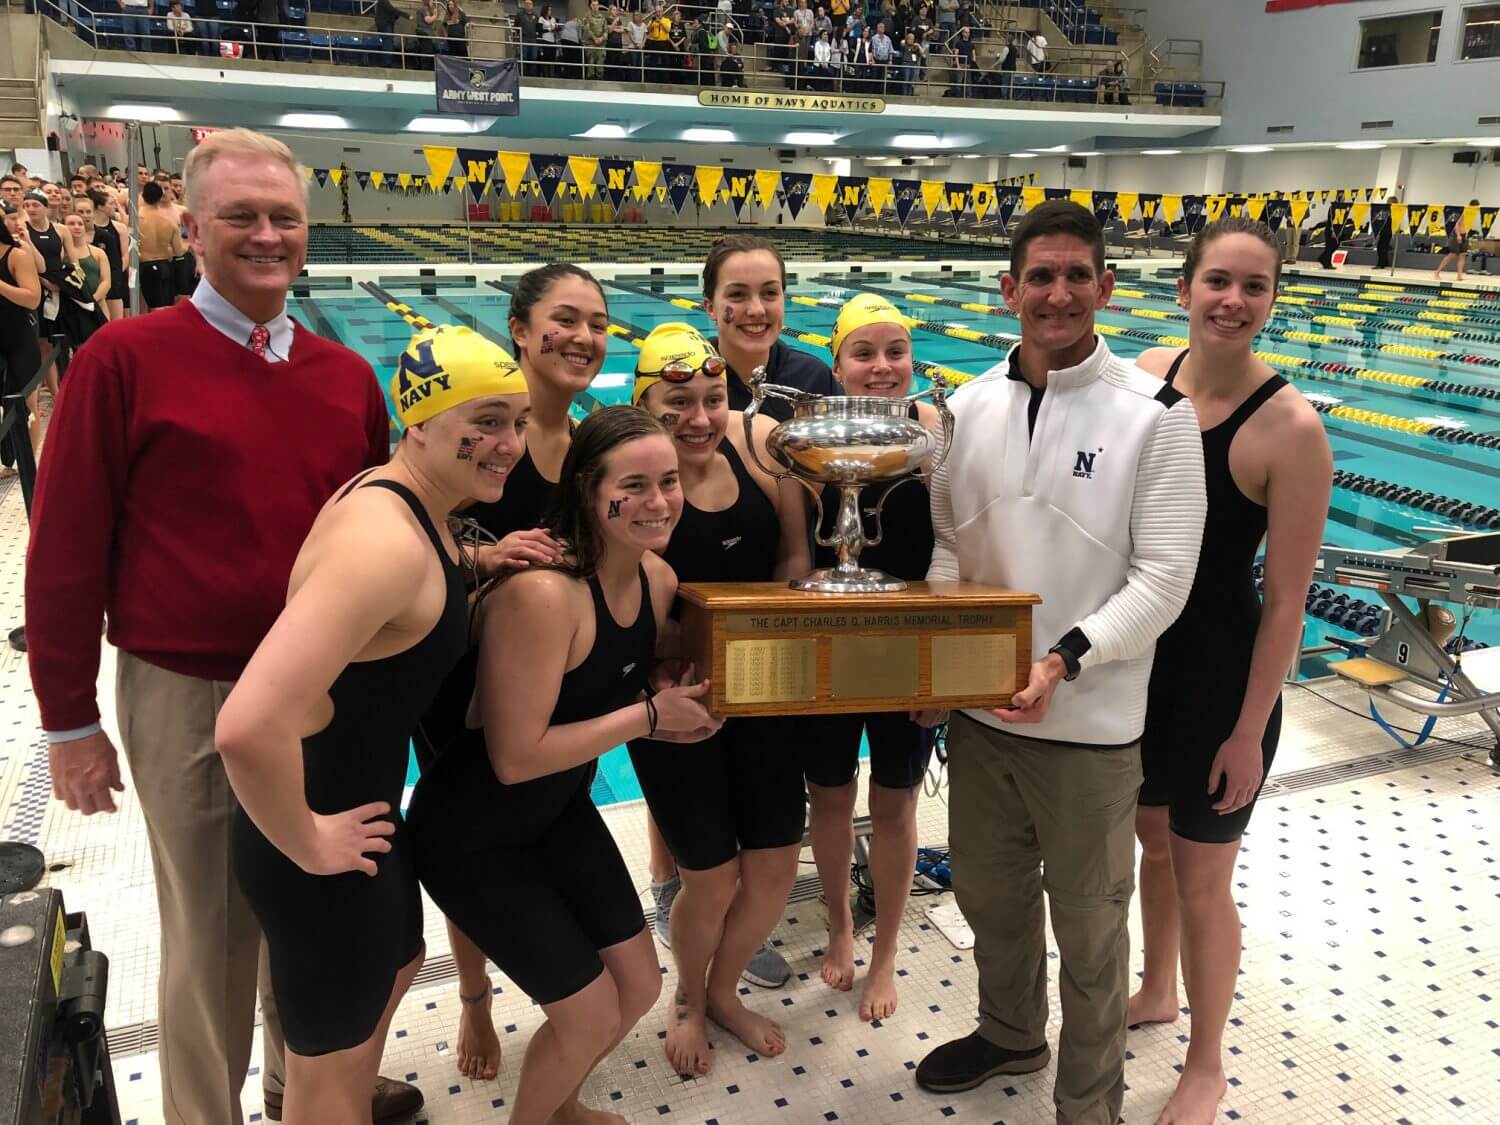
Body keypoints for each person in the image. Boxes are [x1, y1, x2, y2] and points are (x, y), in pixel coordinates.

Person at [25, 127, 418, 1125]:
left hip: (324, 692)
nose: (267, 234)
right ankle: (207, 1112)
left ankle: (309, 1092)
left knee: (317, 906)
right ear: (190, 229)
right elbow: (65, 547)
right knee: (213, 934)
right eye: (241, 216)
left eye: (284, 217)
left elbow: (384, 528)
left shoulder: (341, 379)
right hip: (190, 688)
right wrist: (70, 721)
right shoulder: (126, 359)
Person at [912, 200, 1206, 1125]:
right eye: (1041, 275)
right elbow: (952, 554)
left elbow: (1164, 581)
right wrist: (936, 668)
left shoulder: (1158, 417)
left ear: (1106, 287)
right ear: (1009, 290)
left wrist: (1063, 661)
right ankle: (1009, 1032)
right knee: (990, 897)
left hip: (1090, 725)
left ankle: (1089, 1104)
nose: (1059, 292)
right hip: (982, 716)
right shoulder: (965, 408)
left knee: (1088, 929)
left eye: (1078, 274)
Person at [217, 324, 525, 1124]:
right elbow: (246, 725)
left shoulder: (406, 502)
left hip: (357, 814)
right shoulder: (384, 542)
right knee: (324, 1079)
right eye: (486, 420)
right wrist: (309, 841)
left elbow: (397, 615)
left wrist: (477, 564)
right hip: (319, 839)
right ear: (419, 419)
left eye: (518, 421)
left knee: (395, 966)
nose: (509, 443)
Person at [411, 405, 716, 1125]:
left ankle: (561, 1105)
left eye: (668, 481)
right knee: (584, 1013)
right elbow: (514, 758)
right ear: (586, 489)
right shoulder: (545, 594)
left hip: (555, 812)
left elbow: (612, 688)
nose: (656, 501)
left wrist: (673, 707)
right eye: (633, 484)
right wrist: (647, 718)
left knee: (638, 986)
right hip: (473, 834)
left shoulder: (658, 580)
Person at [1127, 217, 1331, 1125]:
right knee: (1151, 841)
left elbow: (1286, 602)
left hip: (1220, 683)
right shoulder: (1141, 379)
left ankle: (1205, 1062)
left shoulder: (1290, 429)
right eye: (1218, 281)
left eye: (1254, 287)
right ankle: (1157, 983)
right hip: (1138, 667)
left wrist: (1250, 730)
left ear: (1272, 302)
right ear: (1184, 288)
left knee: (1206, 876)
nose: (1233, 300)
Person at [416, 262, 606, 1082]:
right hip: (462, 681)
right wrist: (485, 557)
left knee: (542, 817)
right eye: (564, 319)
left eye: (598, 322)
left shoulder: (593, 440)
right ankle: (471, 992)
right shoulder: (482, 428)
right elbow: (419, 522)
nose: (584, 337)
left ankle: (564, 991)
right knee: (468, 835)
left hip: (563, 684)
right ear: (521, 331)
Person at [627, 323, 811, 1076]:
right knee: (710, 874)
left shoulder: (764, 445)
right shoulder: (630, 479)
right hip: (678, 709)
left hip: (765, 689)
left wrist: (786, 623)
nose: (699, 417)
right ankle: (687, 998)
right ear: (644, 404)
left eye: (710, 398)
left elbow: (796, 553)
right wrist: (655, 676)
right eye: (676, 402)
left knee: (773, 865)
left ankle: (724, 989)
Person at [800, 294, 939, 1022]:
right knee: (829, 796)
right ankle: (840, 928)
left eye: (895, 351)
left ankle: (885, 953)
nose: (882, 367)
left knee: (895, 803)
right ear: (836, 364)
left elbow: (956, 552)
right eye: (865, 352)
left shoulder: (936, 436)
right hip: (827, 647)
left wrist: (945, 671)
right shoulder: (811, 439)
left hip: (906, 651)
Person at [0, 200, 41, 478]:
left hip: (19, 336)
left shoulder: (17, 255)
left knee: (28, 402)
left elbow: (33, 297)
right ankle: (6, 460)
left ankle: (30, 463)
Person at [21, 189, 66, 399]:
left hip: (58, 288)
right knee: (42, 345)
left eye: (35, 205)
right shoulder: (24, 231)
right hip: (39, 288)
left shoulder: (59, 229)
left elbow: (65, 258)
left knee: (56, 341)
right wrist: (43, 282)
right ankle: (52, 392)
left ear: (46, 208)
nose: (31, 209)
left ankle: (60, 387)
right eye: (27, 205)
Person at [57, 208, 108, 348]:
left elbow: (106, 281)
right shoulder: (60, 254)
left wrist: (92, 300)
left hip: (96, 304)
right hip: (71, 307)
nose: (76, 227)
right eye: (71, 224)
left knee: (101, 345)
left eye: (80, 224)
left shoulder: (97, 253)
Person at [138, 180, 185, 309]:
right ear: (160, 197)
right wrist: (187, 243)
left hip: (146, 266)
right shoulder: (169, 222)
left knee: (154, 309)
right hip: (166, 266)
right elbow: (179, 252)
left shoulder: (136, 221)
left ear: (143, 196)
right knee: (168, 308)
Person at [86, 188, 128, 321]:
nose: (115, 207)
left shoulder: (119, 228)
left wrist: (112, 278)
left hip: (114, 277)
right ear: (99, 206)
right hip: (93, 278)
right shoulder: (88, 229)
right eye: (111, 203)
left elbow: (125, 256)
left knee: (117, 320)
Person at [1434, 200, 1476, 281]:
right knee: (1452, 255)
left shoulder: (1471, 213)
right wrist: (1458, 235)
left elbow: (1466, 225)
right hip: (1457, 235)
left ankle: (1459, 276)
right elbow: (1456, 224)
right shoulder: (1464, 211)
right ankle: (1437, 272)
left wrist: (1466, 235)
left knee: (1462, 255)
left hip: (1464, 236)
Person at [582, 0, 609, 77]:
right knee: (591, 67)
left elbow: (606, 30)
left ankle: (599, 81)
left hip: (601, 45)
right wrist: (594, 38)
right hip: (590, 44)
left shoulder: (602, 17)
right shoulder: (586, 16)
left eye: (596, 5)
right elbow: (587, 29)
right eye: (593, 5)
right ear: (591, 6)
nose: (595, 7)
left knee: (600, 66)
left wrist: (602, 38)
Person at [1375, 194, 1397, 270]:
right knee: (1381, 247)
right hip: (1384, 230)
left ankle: (1381, 264)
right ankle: (1384, 262)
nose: (1387, 202)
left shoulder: (1393, 211)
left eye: (1388, 201)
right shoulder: (1386, 210)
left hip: (1388, 231)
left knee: (1382, 247)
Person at [1317, 204, 1342, 270]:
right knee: (1330, 247)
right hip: (1331, 230)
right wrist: (1332, 231)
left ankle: (1323, 259)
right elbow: (1331, 220)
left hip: (1336, 230)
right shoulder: (1332, 207)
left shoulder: (1341, 208)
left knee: (1334, 246)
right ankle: (1327, 263)